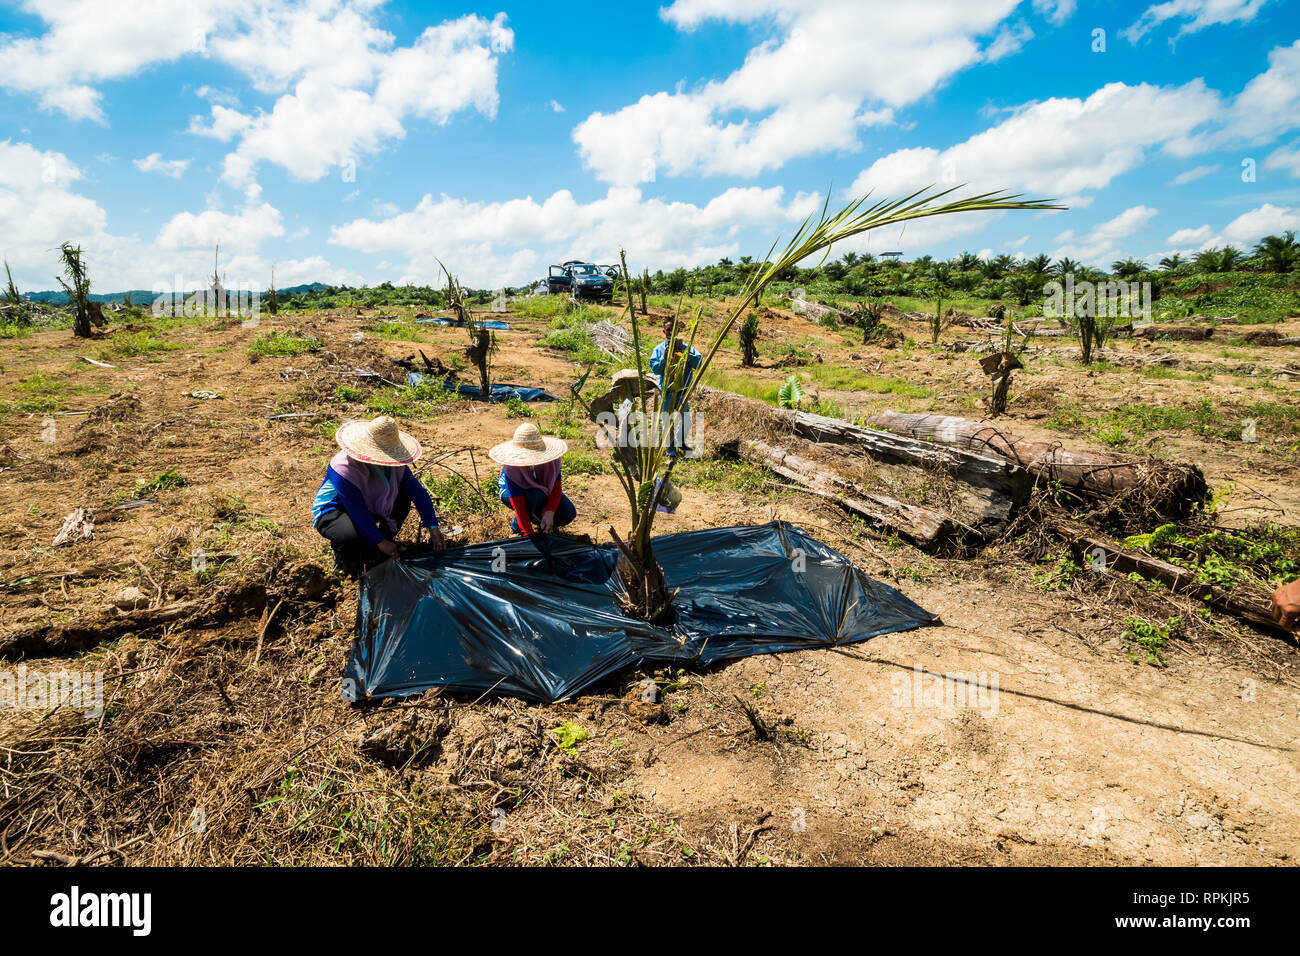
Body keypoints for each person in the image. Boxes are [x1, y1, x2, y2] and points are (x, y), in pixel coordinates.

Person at [313, 415, 444, 577]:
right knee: (350, 537)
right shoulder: (343, 467)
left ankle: (380, 544)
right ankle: (346, 559)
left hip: (369, 503)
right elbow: (356, 509)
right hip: (335, 510)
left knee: (403, 496)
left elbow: (417, 491)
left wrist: (433, 525)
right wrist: (379, 541)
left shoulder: (395, 465)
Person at [489, 423, 576, 536]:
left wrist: (550, 512)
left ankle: (543, 522)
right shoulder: (512, 468)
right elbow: (518, 503)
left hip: (541, 490)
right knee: (536, 496)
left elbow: (556, 488)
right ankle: (517, 527)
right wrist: (529, 535)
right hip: (511, 494)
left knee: (568, 512)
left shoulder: (552, 461)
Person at [649, 316, 703, 457]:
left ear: (678, 330)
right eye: (668, 330)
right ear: (663, 331)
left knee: (686, 421)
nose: (671, 333)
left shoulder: (687, 348)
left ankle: (680, 442)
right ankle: (671, 451)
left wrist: (686, 355)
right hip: (666, 391)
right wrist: (664, 358)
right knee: (667, 423)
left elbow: (699, 363)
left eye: (673, 330)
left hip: (681, 391)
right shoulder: (660, 350)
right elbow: (655, 369)